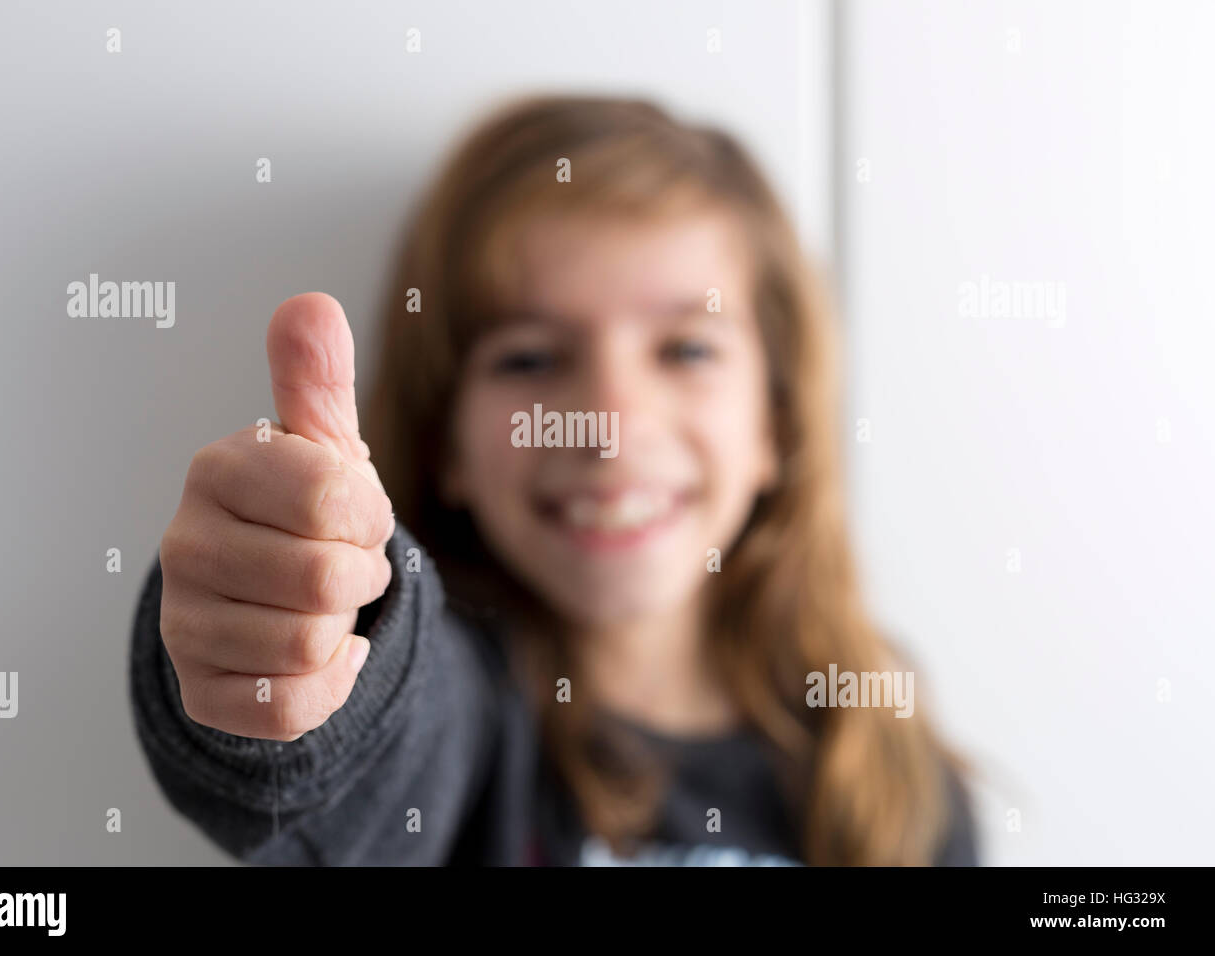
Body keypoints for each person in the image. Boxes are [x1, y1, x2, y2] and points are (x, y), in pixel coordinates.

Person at [129, 94, 979, 866]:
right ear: (446, 443)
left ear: (776, 425)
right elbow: (368, 733)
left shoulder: (893, 779)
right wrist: (299, 616)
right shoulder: (471, 727)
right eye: (530, 357)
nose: (608, 426)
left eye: (687, 349)